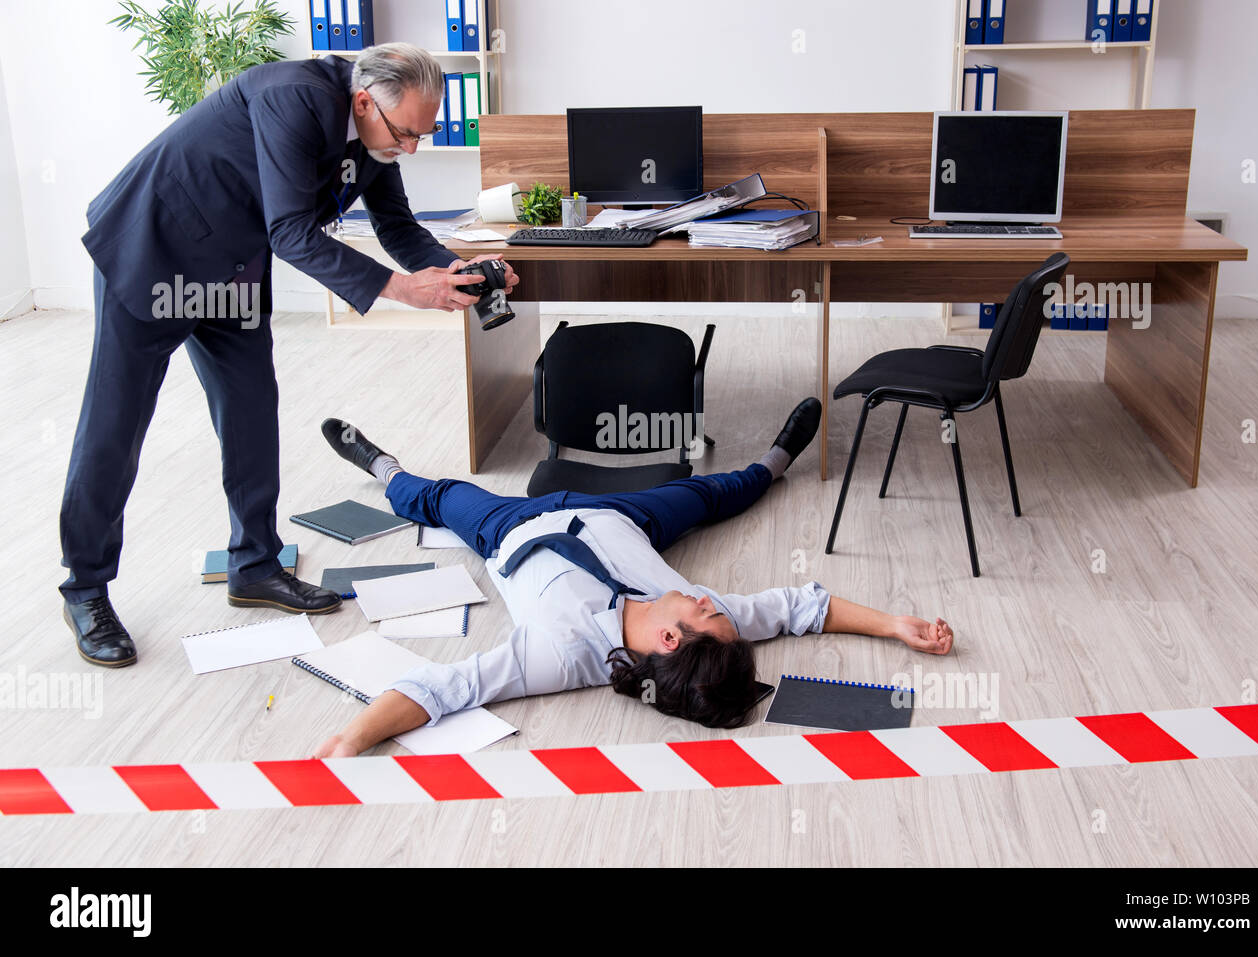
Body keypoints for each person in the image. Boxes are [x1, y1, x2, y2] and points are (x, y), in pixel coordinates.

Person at [60, 43, 518, 667]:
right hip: (154, 251)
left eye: (423, 135)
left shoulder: (377, 132)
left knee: (250, 411)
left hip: (231, 267)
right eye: (407, 133)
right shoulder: (292, 96)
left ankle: (253, 565)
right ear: (363, 102)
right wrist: (403, 289)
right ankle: (85, 589)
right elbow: (292, 231)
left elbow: (399, 228)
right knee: (115, 427)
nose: (411, 148)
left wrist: (459, 270)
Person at [311, 399, 954, 758]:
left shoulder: (561, 658)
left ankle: (381, 466)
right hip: (625, 519)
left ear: (671, 641)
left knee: (441, 495)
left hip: (512, 528)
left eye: (702, 611)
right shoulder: (717, 628)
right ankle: (774, 460)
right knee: (712, 494)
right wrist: (895, 625)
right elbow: (800, 608)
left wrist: (353, 739)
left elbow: (444, 686)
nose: (707, 599)